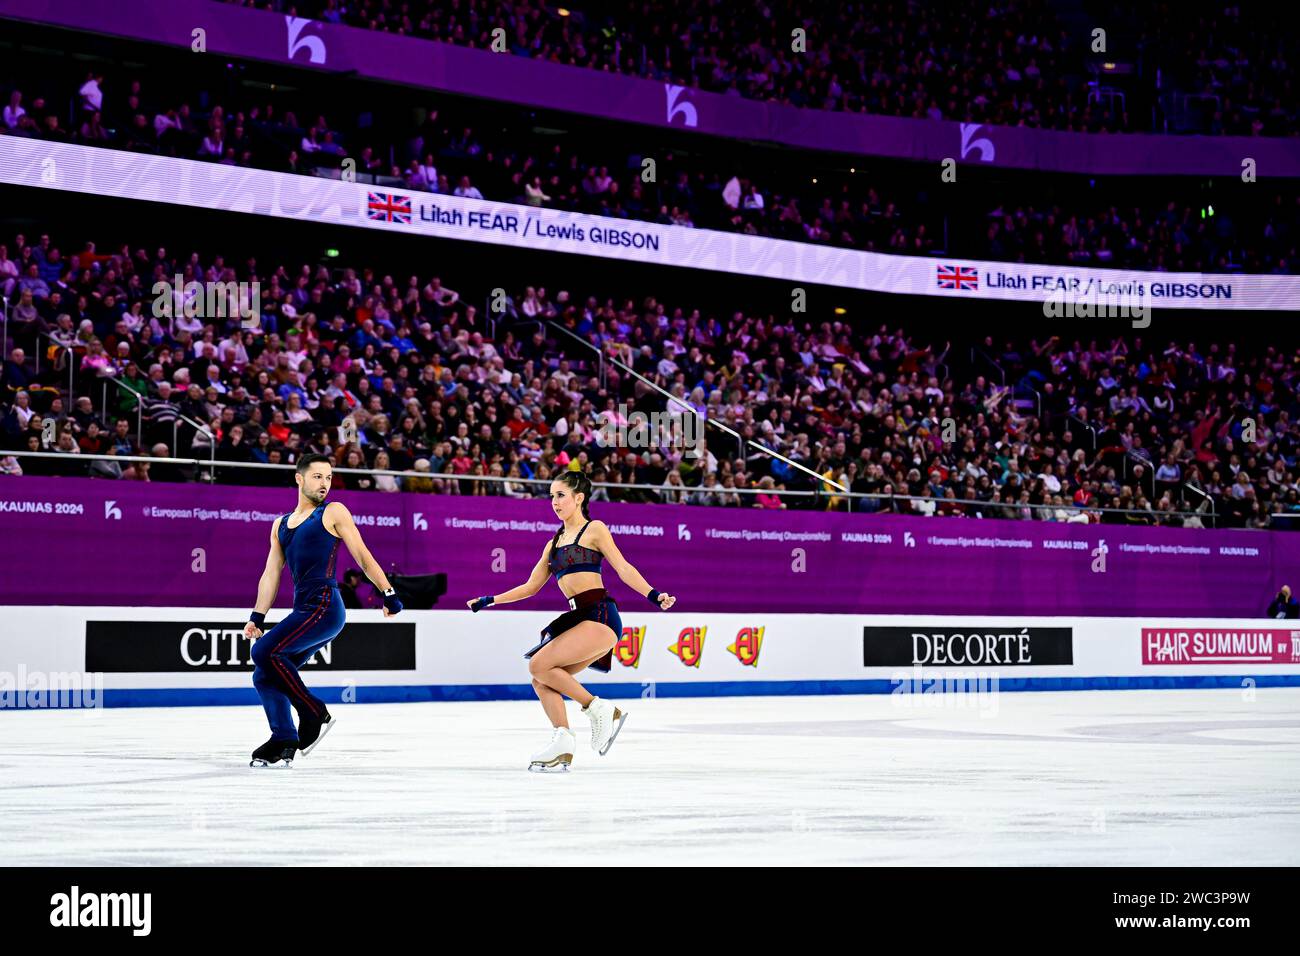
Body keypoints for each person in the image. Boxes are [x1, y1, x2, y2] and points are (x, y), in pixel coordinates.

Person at [466, 470, 675, 771]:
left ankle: (599, 709)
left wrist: (654, 595)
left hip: (601, 615)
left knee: (538, 664)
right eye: (551, 496)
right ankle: (562, 742)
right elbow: (530, 587)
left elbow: (624, 569)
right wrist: (490, 599)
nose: (554, 501)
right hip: (579, 618)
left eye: (560, 495)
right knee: (541, 679)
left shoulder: (595, 529)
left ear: (579, 498)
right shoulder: (552, 545)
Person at [242, 452, 404, 768]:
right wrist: (257, 617)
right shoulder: (280, 525)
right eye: (318, 476)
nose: (325, 484)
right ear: (299, 478)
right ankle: (284, 738)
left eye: (329, 477)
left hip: (326, 607)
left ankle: (313, 711)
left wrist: (388, 592)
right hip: (305, 610)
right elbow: (271, 574)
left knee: (264, 652)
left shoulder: (333, 512)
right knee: (263, 675)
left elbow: (362, 555)